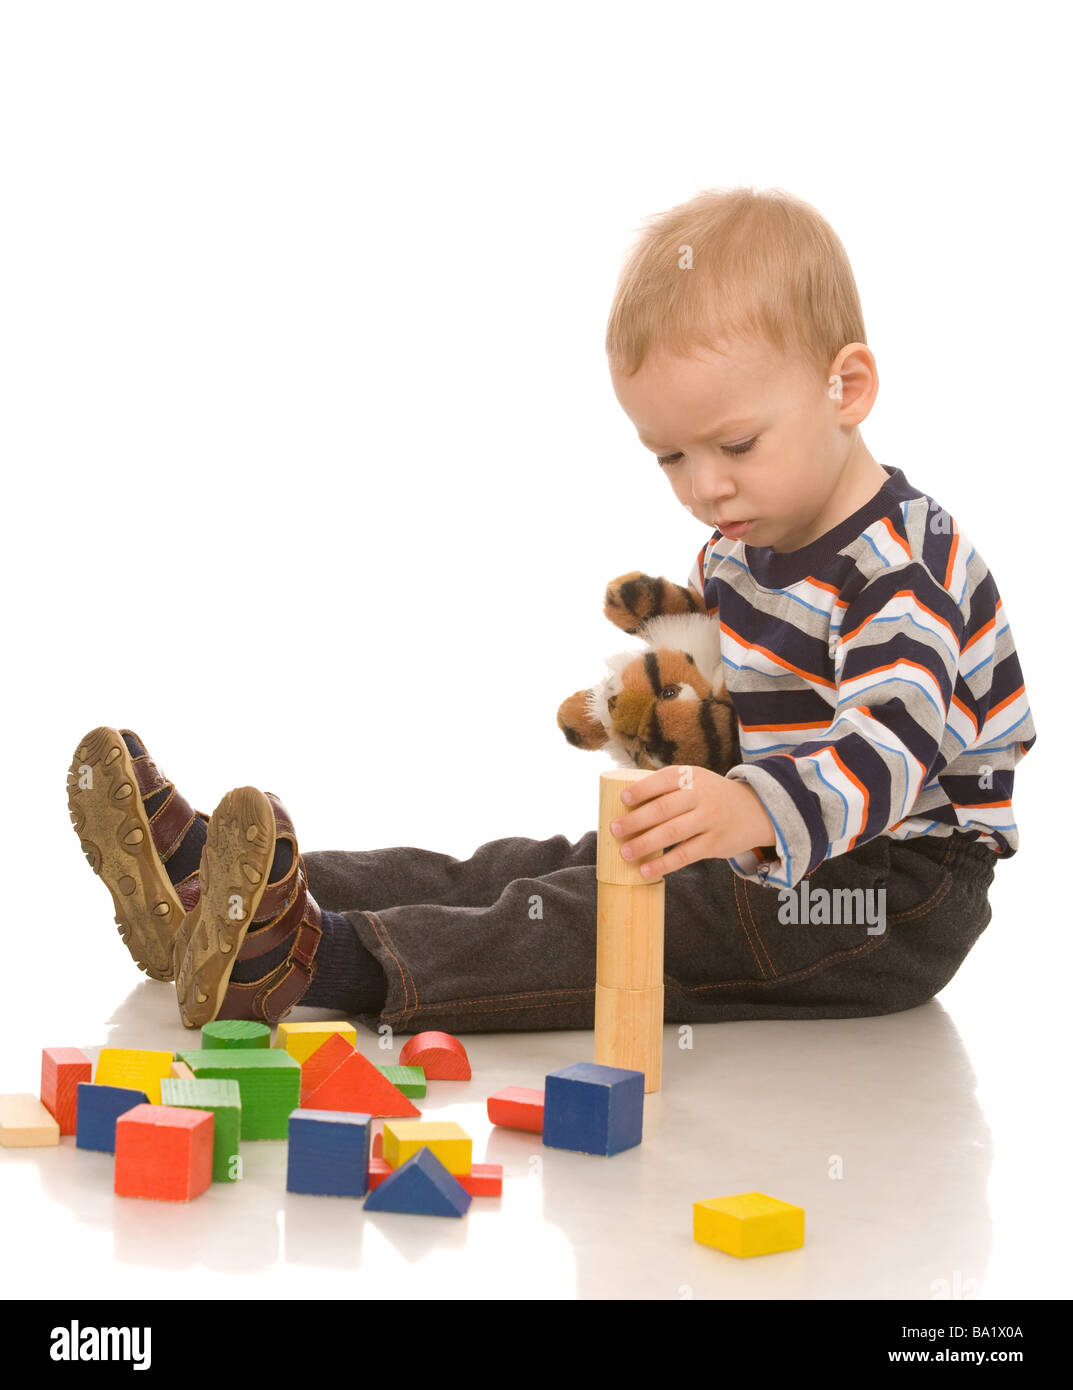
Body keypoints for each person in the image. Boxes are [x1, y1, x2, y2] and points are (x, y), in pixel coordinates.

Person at [67, 185, 1036, 1036]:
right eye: (668, 457)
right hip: (777, 844)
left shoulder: (898, 567)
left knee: (601, 917)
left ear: (846, 388)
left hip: (888, 897)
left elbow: (886, 754)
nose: (702, 487)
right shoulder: (747, 543)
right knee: (525, 869)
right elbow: (753, 689)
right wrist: (684, 730)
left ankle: (318, 957)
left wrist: (742, 805)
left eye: (733, 444)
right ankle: (214, 884)